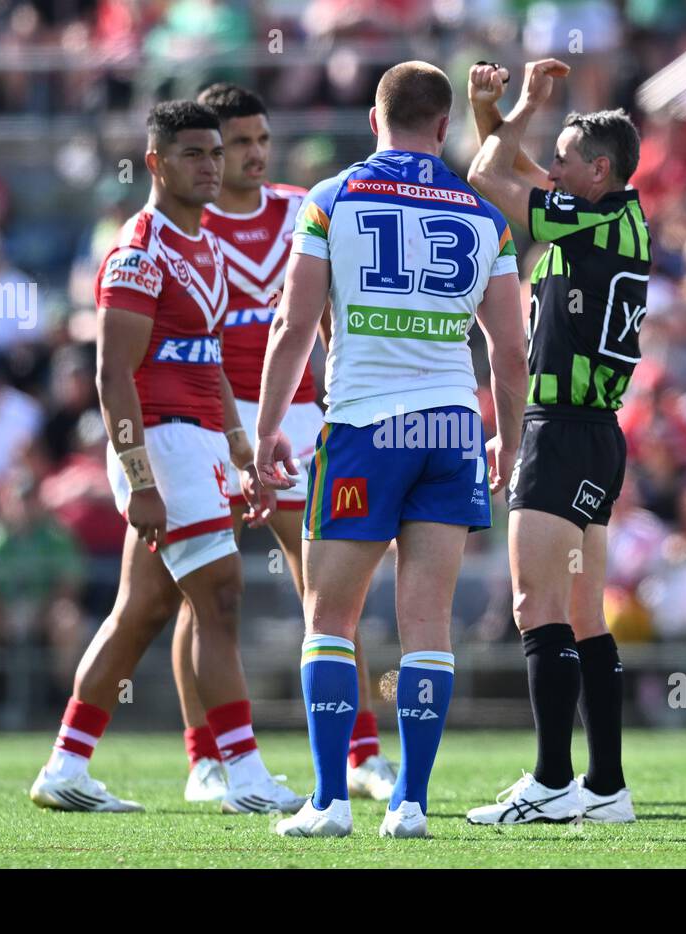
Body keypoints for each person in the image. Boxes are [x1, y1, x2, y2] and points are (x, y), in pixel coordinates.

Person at [254, 61, 528, 838]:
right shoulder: (485, 217)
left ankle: (332, 803)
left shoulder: (330, 199)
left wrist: (268, 426)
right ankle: (410, 803)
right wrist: (505, 431)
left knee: (330, 618)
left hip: (367, 428)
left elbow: (293, 327)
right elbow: (511, 354)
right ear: (444, 126)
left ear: (374, 118)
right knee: (427, 627)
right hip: (450, 430)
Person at [28, 101, 304, 815]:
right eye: (193, 154)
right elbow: (112, 376)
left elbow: (209, 360)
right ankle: (241, 775)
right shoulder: (140, 251)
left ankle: (66, 764)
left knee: (143, 609)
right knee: (220, 598)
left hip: (202, 438)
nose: (210, 165)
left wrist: (242, 450)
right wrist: (140, 476)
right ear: (155, 162)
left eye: (215, 153)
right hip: (159, 439)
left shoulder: (204, 245)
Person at [170, 82, 396, 805]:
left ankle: (361, 753)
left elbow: (327, 311)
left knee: (330, 588)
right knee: (204, 598)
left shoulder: (306, 206)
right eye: (239, 142)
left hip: (294, 417)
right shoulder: (186, 224)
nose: (255, 154)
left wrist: (338, 395)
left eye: (262, 140)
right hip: (207, 424)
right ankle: (206, 759)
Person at [462, 60, 644, 824]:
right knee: (581, 612)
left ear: (597, 170)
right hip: (596, 435)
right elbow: (507, 163)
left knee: (535, 602)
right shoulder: (611, 208)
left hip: (563, 430)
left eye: (567, 161)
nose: (556, 170)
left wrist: (526, 103)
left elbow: (484, 176)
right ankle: (605, 787)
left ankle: (550, 781)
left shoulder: (592, 216)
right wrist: (494, 112)